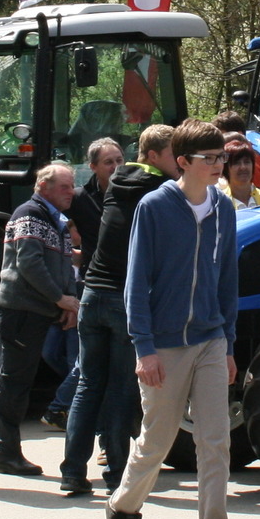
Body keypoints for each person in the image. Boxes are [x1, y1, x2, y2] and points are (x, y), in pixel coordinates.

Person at [104, 119, 250, 519]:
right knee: (157, 441)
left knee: (215, 442)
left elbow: (228, 279)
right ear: (182, 162)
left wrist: (227, 342)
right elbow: (137, 281)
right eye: (210, 159)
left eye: (221, 158)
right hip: (163, 344)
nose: (219, 166)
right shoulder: (153, 207)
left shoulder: (223, 209)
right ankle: (123, 507)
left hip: (209, 339)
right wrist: (143, 347)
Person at [61, 125, 174, 496]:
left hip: (92, 293)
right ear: (155, 156)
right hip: (123, 299)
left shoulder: (118, 184)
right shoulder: (159, 191)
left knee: (88, 386)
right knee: (122, 392)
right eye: (176, 154)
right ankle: (116, 477)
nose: (183, 163)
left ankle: (72, 472)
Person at [0, 161, 80, 476]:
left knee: (22, 381)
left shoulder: (56, 219)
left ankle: (9, 453)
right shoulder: (29, 214)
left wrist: (67, 305)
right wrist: (61, 299)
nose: (71, 192)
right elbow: (30, 264)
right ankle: (7, 454)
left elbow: (65, 262)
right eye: (65, 186)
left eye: (72, 185)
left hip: (41, 310)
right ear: (43, 187)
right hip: (21, 310)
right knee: (15, 382)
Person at [42, 137, 122, 431]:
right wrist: (68, 258)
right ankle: (68, 408)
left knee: (98, 361)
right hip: (89, 285)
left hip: (123, 284)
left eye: (119, 160)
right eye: (108, 162)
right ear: (93, 167)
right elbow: (49, 223)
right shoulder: (79, 198)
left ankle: (72, 412)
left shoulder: (130, 193)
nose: (115, 167)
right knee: (73, 357)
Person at [217, 136, 260, 210]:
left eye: (247, 162)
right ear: (226, 168)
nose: (243, 167)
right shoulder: (219, 204)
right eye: (236, 163)